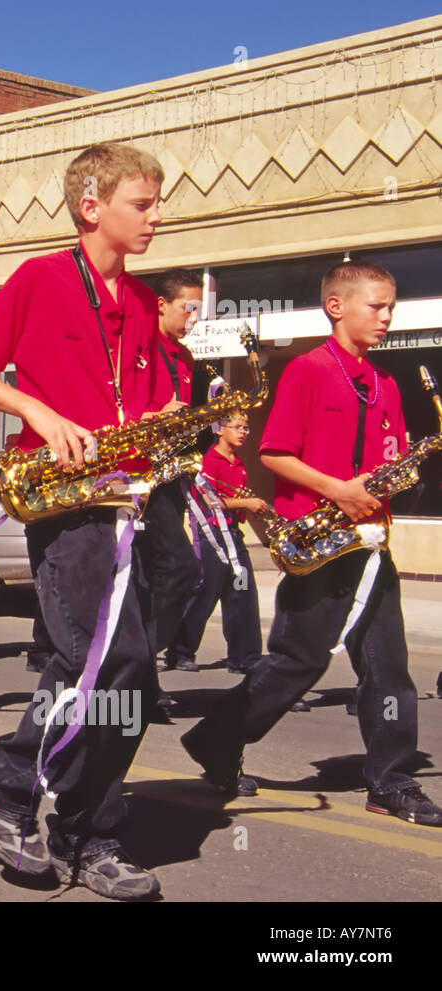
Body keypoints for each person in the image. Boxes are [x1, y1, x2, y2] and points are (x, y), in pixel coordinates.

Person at [0, 143, 175, 899]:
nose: (155, 216)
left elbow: (141, 402)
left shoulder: (143, 303)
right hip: (63, 501)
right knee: (90, 665)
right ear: (93, 207)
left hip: (127, 504)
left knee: (134, 679)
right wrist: (37, 411)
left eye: (155, 202)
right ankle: (11, 785)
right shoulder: (39, 278)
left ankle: (86, 832)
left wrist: (170, 424)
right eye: (142, 203)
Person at [182, 262, 442, 827]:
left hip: (368, 544)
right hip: (317, 541)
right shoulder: (307, 371)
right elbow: (274, 453)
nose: (387, 317)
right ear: (337, 307)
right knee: (296, 663)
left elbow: (388, 455)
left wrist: (396, 475)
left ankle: (391, 780)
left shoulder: (386, 384)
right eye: (377, 306)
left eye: (392, 307)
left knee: (389, 667)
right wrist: (340, 492)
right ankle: (216, 741)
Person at [168, 413, 264, 675]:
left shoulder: (239, 464)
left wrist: (250, 506)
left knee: (242, 590)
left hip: (233, 535)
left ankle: (245, 655)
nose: (243, 432)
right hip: (212, 537)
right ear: (220, 430)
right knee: (206, 592)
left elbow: (234, 500)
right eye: (237, 427)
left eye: (246, 427)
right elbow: (209, 501)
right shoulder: (210, 461)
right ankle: (180, 651)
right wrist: (246, 503)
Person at [146, 269, 202, 672]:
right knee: (180, 567)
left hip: (171, 471)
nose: (194, 319)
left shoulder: (185, 357)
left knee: (160, 572)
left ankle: (140, 670)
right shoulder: (137, 344)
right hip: (137, 472)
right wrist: (155, 416)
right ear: (162, 305)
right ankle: (141, 658)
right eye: (189, 309)